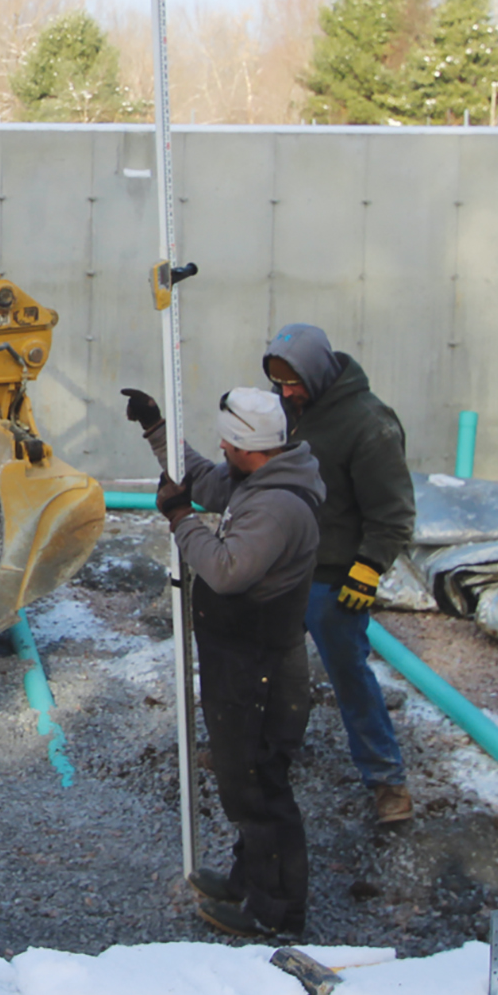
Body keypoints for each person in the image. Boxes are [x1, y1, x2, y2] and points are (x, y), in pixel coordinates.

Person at [122, 384, 324, 938]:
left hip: (257, 669)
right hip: (246, 660)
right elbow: (207, 479)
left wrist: (181, 519)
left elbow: (226, 569)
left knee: (258, 787)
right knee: (247, 781)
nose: (221, 449)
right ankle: (249, 880)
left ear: (246, 446)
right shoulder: (264, 477)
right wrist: (156, 430)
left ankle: (275, 914)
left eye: (227, 442)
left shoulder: (277, 506)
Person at [262, 324, 416, 826]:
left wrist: (368, 567)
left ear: (320, 371)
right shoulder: (285, 411)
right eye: (278, 384)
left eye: (293, 383)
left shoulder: (369, 424)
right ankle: (268, 752)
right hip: (283, 564)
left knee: (349, 676)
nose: (285, 394)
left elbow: (392, 512)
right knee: (268, 666)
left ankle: (387, 781)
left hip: (333, 578)